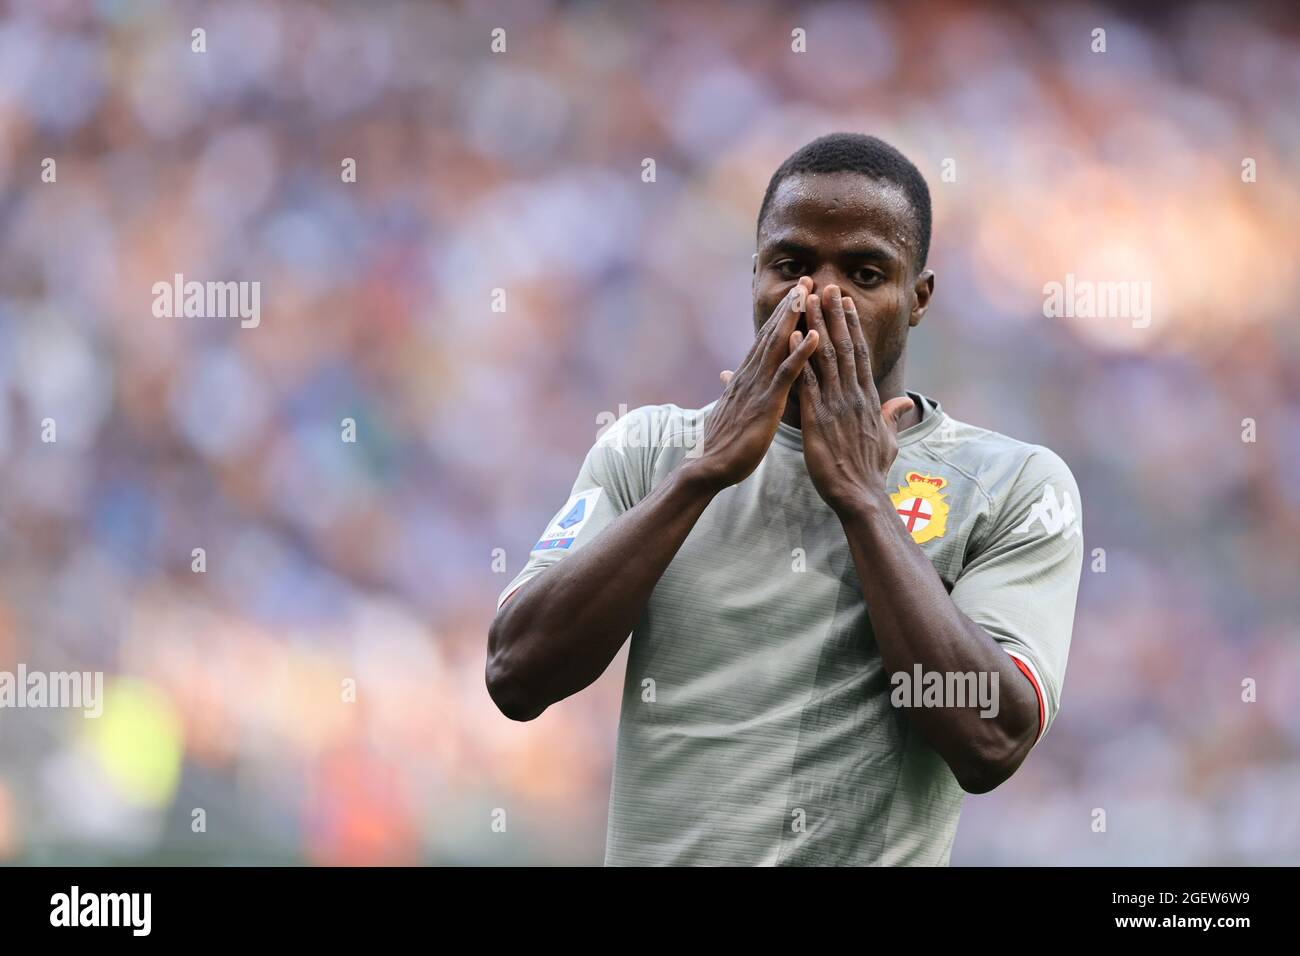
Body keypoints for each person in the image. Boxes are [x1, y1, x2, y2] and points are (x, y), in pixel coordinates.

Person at [487, 132, 1084, 865]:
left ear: (918, 299)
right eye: (793, 266)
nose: (820, 298)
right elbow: (516, 675)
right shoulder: (649, 451)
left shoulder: (1012, 484)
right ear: (755, 277)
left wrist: (865, 502)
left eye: (865, 273)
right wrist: (700, 477)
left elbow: (991, 740)